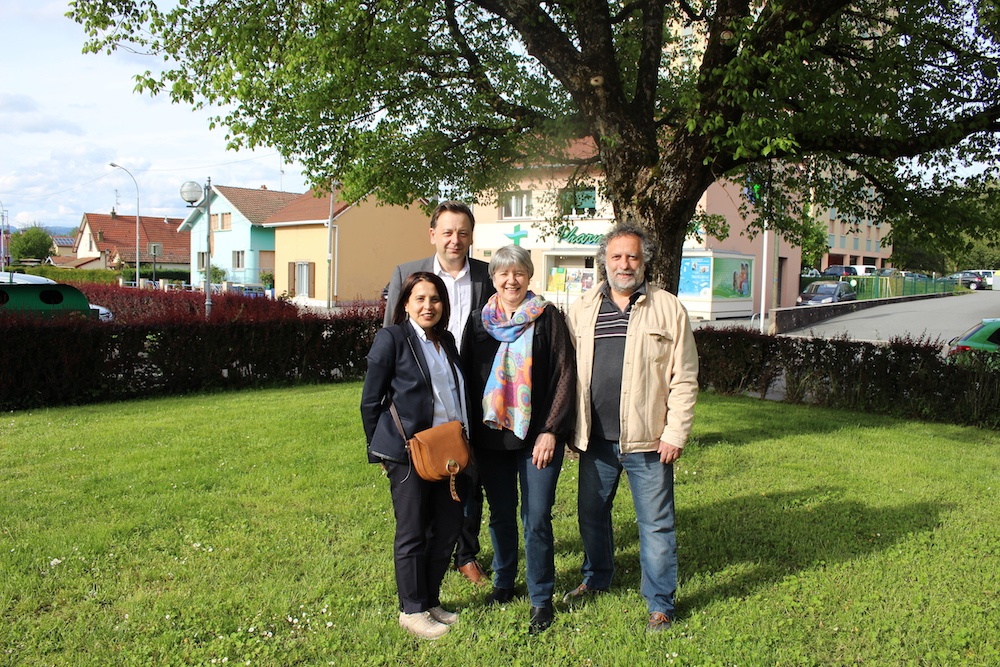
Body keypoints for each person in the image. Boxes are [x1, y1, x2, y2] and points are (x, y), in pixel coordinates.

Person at [564, 223, 699, 633]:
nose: (624, 264)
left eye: (633, 256)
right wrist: (568, 429)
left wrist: (675, 432)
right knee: (592, 515)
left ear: (645, 261)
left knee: (656, 524)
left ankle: (659, 603)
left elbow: (685, 376)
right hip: (595, 439)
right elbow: (567, 373)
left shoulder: (668, 308)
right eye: (617, 256)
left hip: (648, 441)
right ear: (604, 260)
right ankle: (597, 577)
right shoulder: (581, 307)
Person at [461, 245, 576, 635]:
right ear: (493, 278)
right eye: (503, 274)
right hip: (492, 438)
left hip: (537, 439)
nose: (511, 280)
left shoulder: (546, 318)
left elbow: (564, 375)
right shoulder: (479, 322)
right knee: (501, 515)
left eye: (519, 273)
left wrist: (550, 431)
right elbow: (466, 379)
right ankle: (504, 582)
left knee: (537, 518)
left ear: (529, 276)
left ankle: (541, 598)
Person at [383, 200, 495, 586]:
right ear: (433, 234)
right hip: (421, 403)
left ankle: (466, 553)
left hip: (474, 395)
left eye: (463, 232)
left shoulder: (488, 275)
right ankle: (430, 553)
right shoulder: (407, 274)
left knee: (469, 475)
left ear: (471, 236)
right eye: (447, 232)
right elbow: (391, 342)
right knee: (426, 478)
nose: (455, 240)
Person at [361, 272, 469, 640]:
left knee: (447, 528)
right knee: (412, 534)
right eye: (420, 298)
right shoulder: (392, 339)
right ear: (405, 303)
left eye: (435, 299)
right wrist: (382, 452)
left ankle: (431, 600)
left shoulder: (447, 340)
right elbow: (370, 401)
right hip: (409, 455)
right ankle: (411, 610)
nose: (428, 306)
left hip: (448, 451)